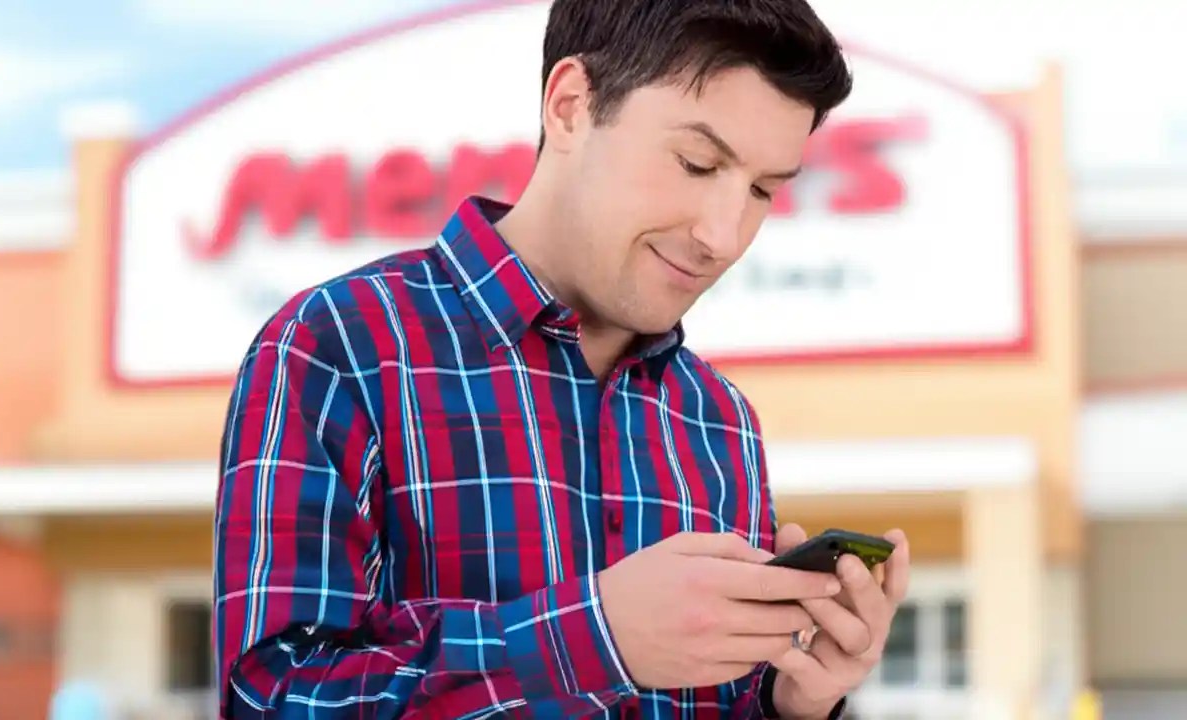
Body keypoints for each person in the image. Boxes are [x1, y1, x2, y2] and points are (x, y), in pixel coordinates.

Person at [212, 0, 911, 717]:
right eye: (697, 164)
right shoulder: (338, 346)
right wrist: (594, 640)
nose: (724, 236)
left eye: (763, 190)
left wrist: (792, 704)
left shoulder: (720, 420)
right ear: (571, 105)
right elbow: (269, 699)